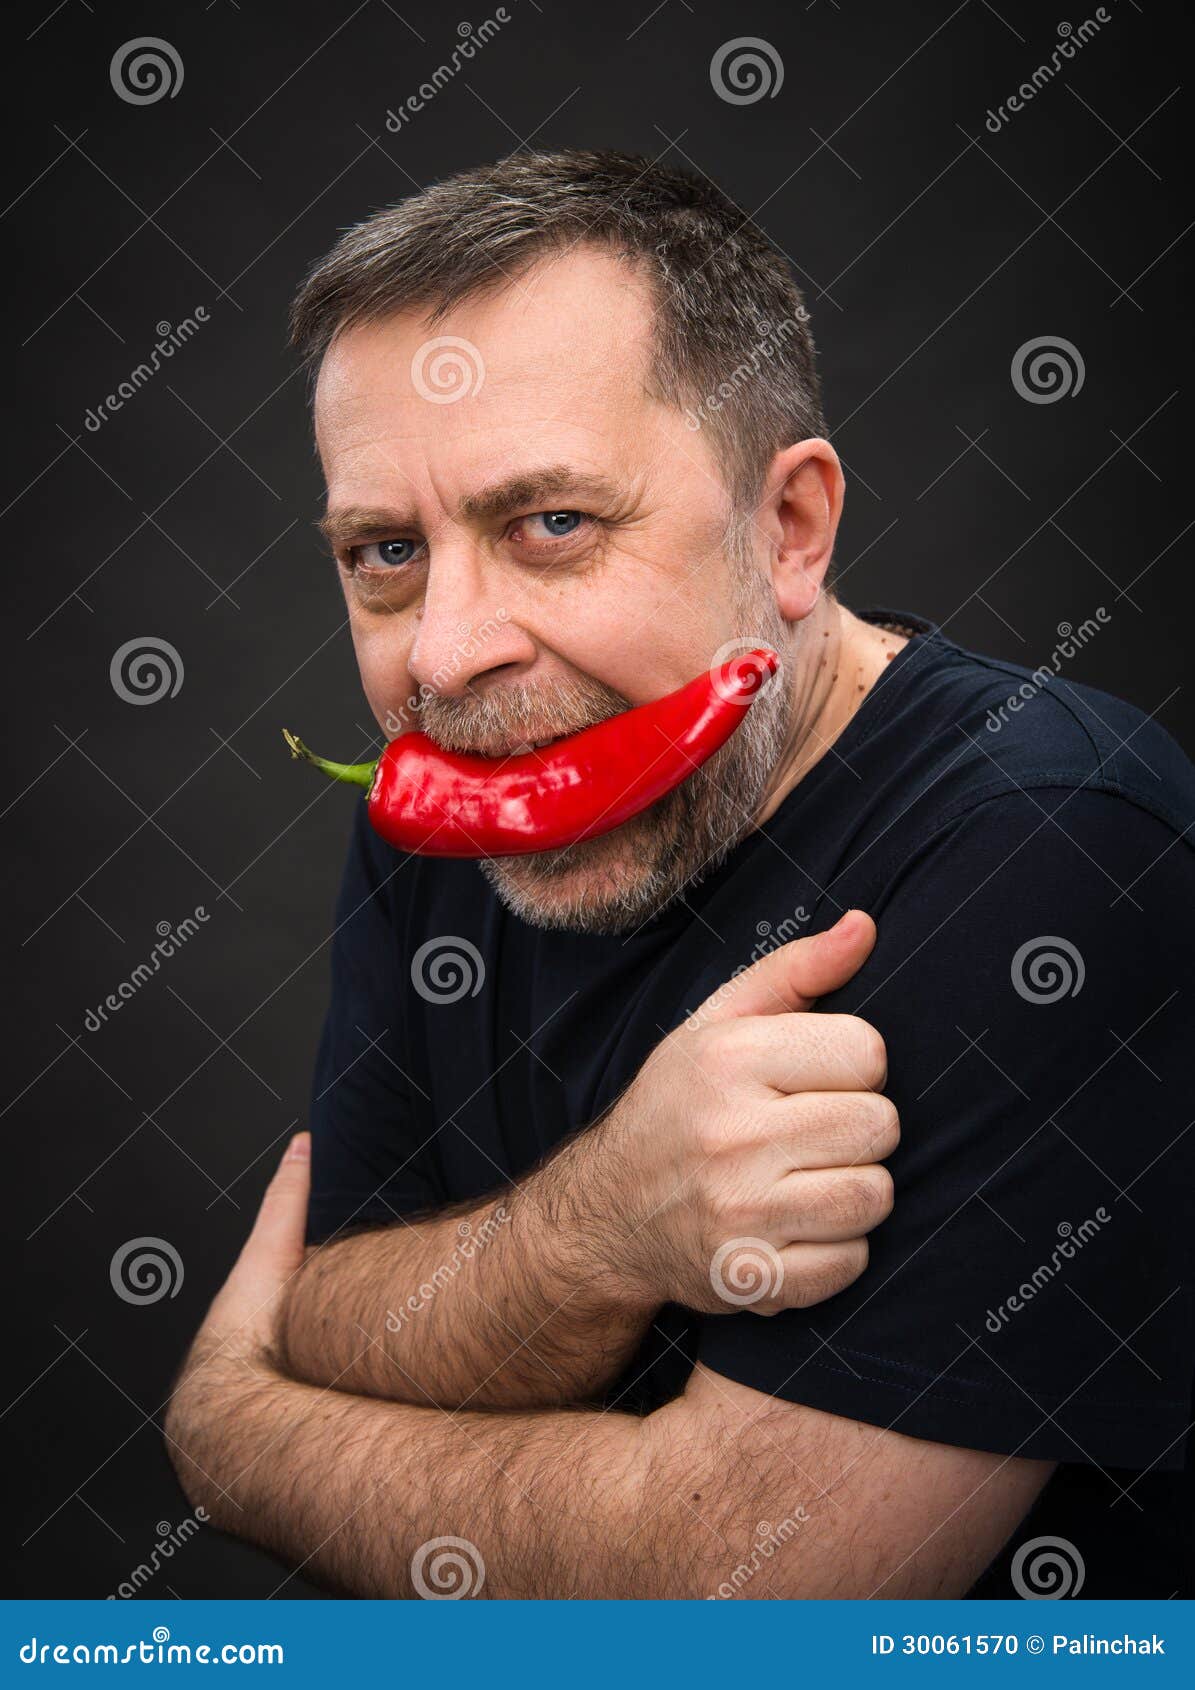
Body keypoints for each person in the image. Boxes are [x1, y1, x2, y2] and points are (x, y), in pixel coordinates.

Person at [165, 149, 1195, 1600]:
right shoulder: (446, 797)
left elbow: (745, 1594)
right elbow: (330, 1304)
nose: (449, 653)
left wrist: (233, 1433)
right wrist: (610, 1226)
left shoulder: (1048, 847)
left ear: (790, 528)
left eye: (554, 524)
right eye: (387, 551)